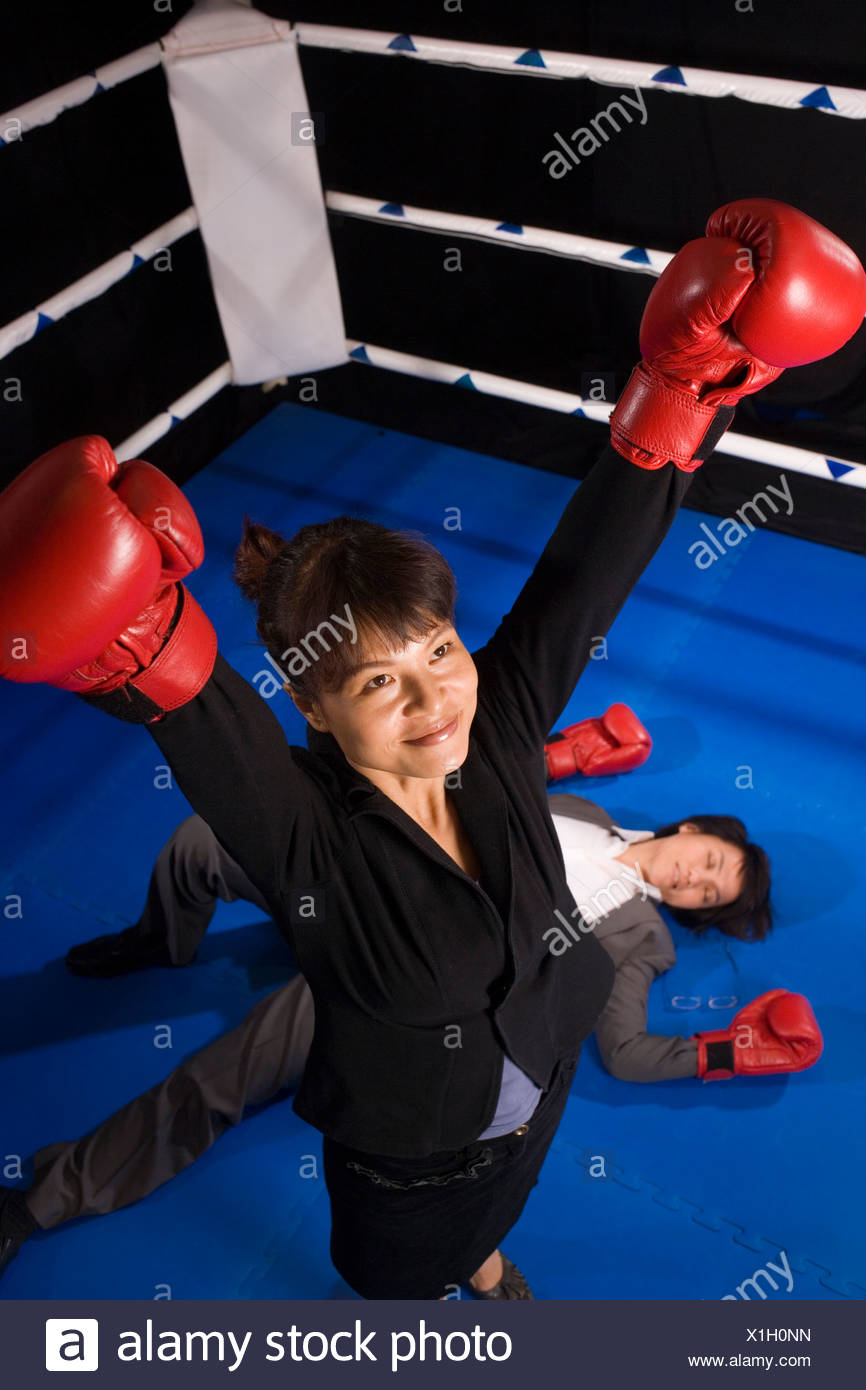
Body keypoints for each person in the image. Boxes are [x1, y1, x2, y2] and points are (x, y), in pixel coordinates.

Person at [1, 198, 862, 1300]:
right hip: (401, 1133)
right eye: (376, 680)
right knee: (340, 1221)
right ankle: (38, 1190)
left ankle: (488, 1253)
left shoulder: (506, 724)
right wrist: (134, 642)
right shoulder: (306, 831)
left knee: (490, 1209)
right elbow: (206, 725)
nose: (433, 700)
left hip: (533, 1074)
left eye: (440, 652)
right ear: (316, 709)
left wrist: (684, 390)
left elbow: (578, 580)